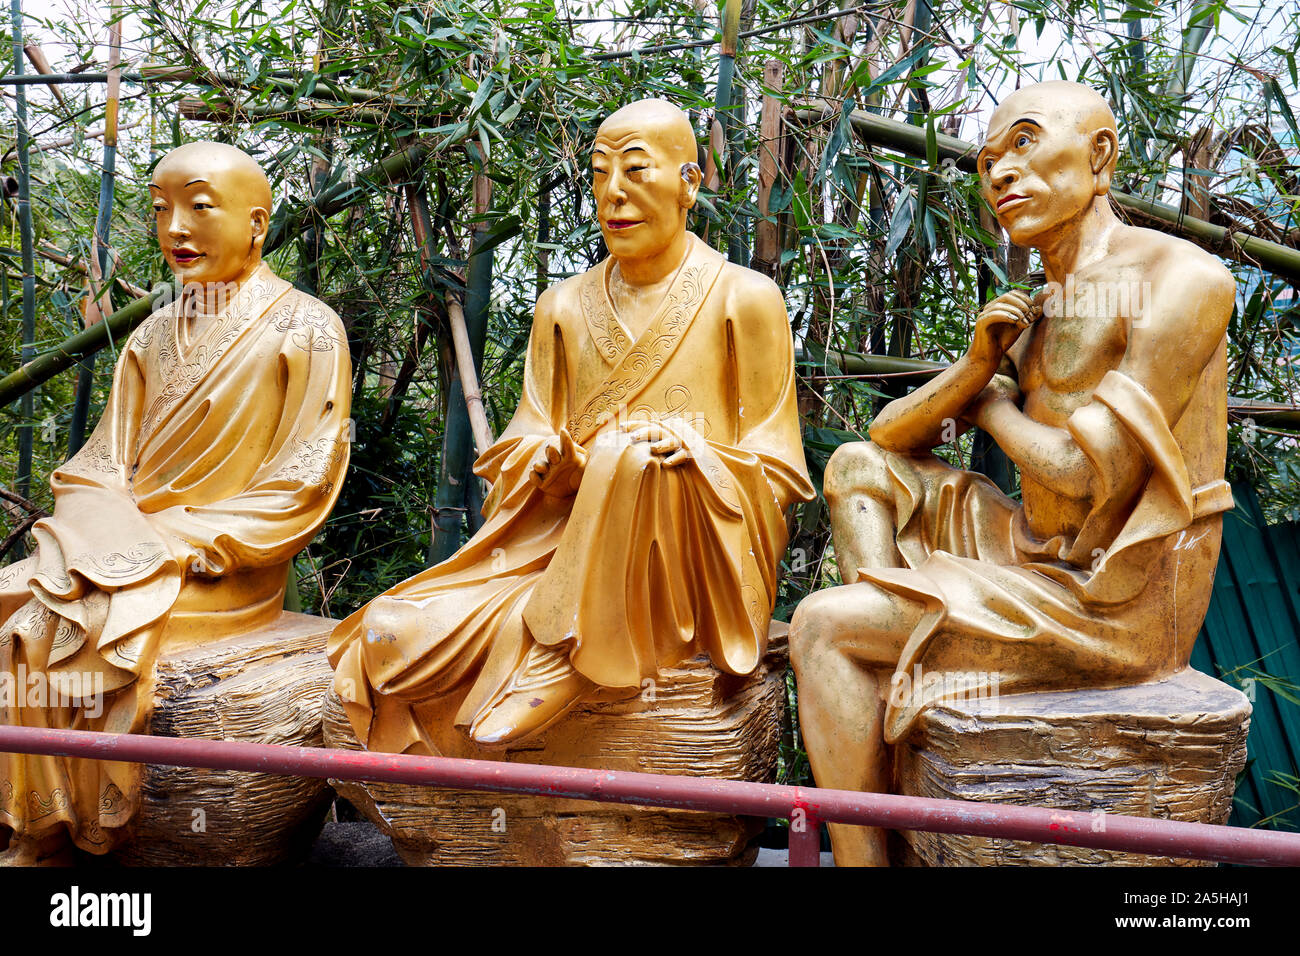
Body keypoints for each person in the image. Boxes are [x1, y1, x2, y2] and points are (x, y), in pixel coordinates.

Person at [788, 81, 1236, 866]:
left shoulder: (1183, 279)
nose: (999, 174)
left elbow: (1079, 473)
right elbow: (886, 435)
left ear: (1099, 158)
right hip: (1032, 548)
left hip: (1113, 593)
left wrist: (992, 409)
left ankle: (866, 856)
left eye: (1024, 144)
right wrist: (976, 366)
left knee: (823, 625)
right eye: (989, 160)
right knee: (861, 466)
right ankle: (901, 658)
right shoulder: (1044, 301)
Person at [329, 98, 814, 753]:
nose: (614, 193)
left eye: (637, 171)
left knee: (631, 456)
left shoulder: (744, 298)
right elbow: (522, 442)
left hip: (687, 564)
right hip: (559, 544)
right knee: (389, 631)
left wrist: (694, 456)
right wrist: (548, 466)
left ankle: (564, 652)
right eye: (599, 173)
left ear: (689, 183)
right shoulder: (561, 308)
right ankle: (551, 630)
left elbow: (778, 465)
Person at [0, 142, 351, 862]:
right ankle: (31, 808)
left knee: (47, 628)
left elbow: (305, 479)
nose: (175, 228)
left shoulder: (307, 328)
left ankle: (58, 829)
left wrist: (184, 541)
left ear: (257, 224)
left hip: (222, 565)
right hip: (122, 544)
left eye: (198, 205)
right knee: (9, 595)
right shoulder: (155, 331)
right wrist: (103, 526)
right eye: (161, 210)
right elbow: (100, 462)